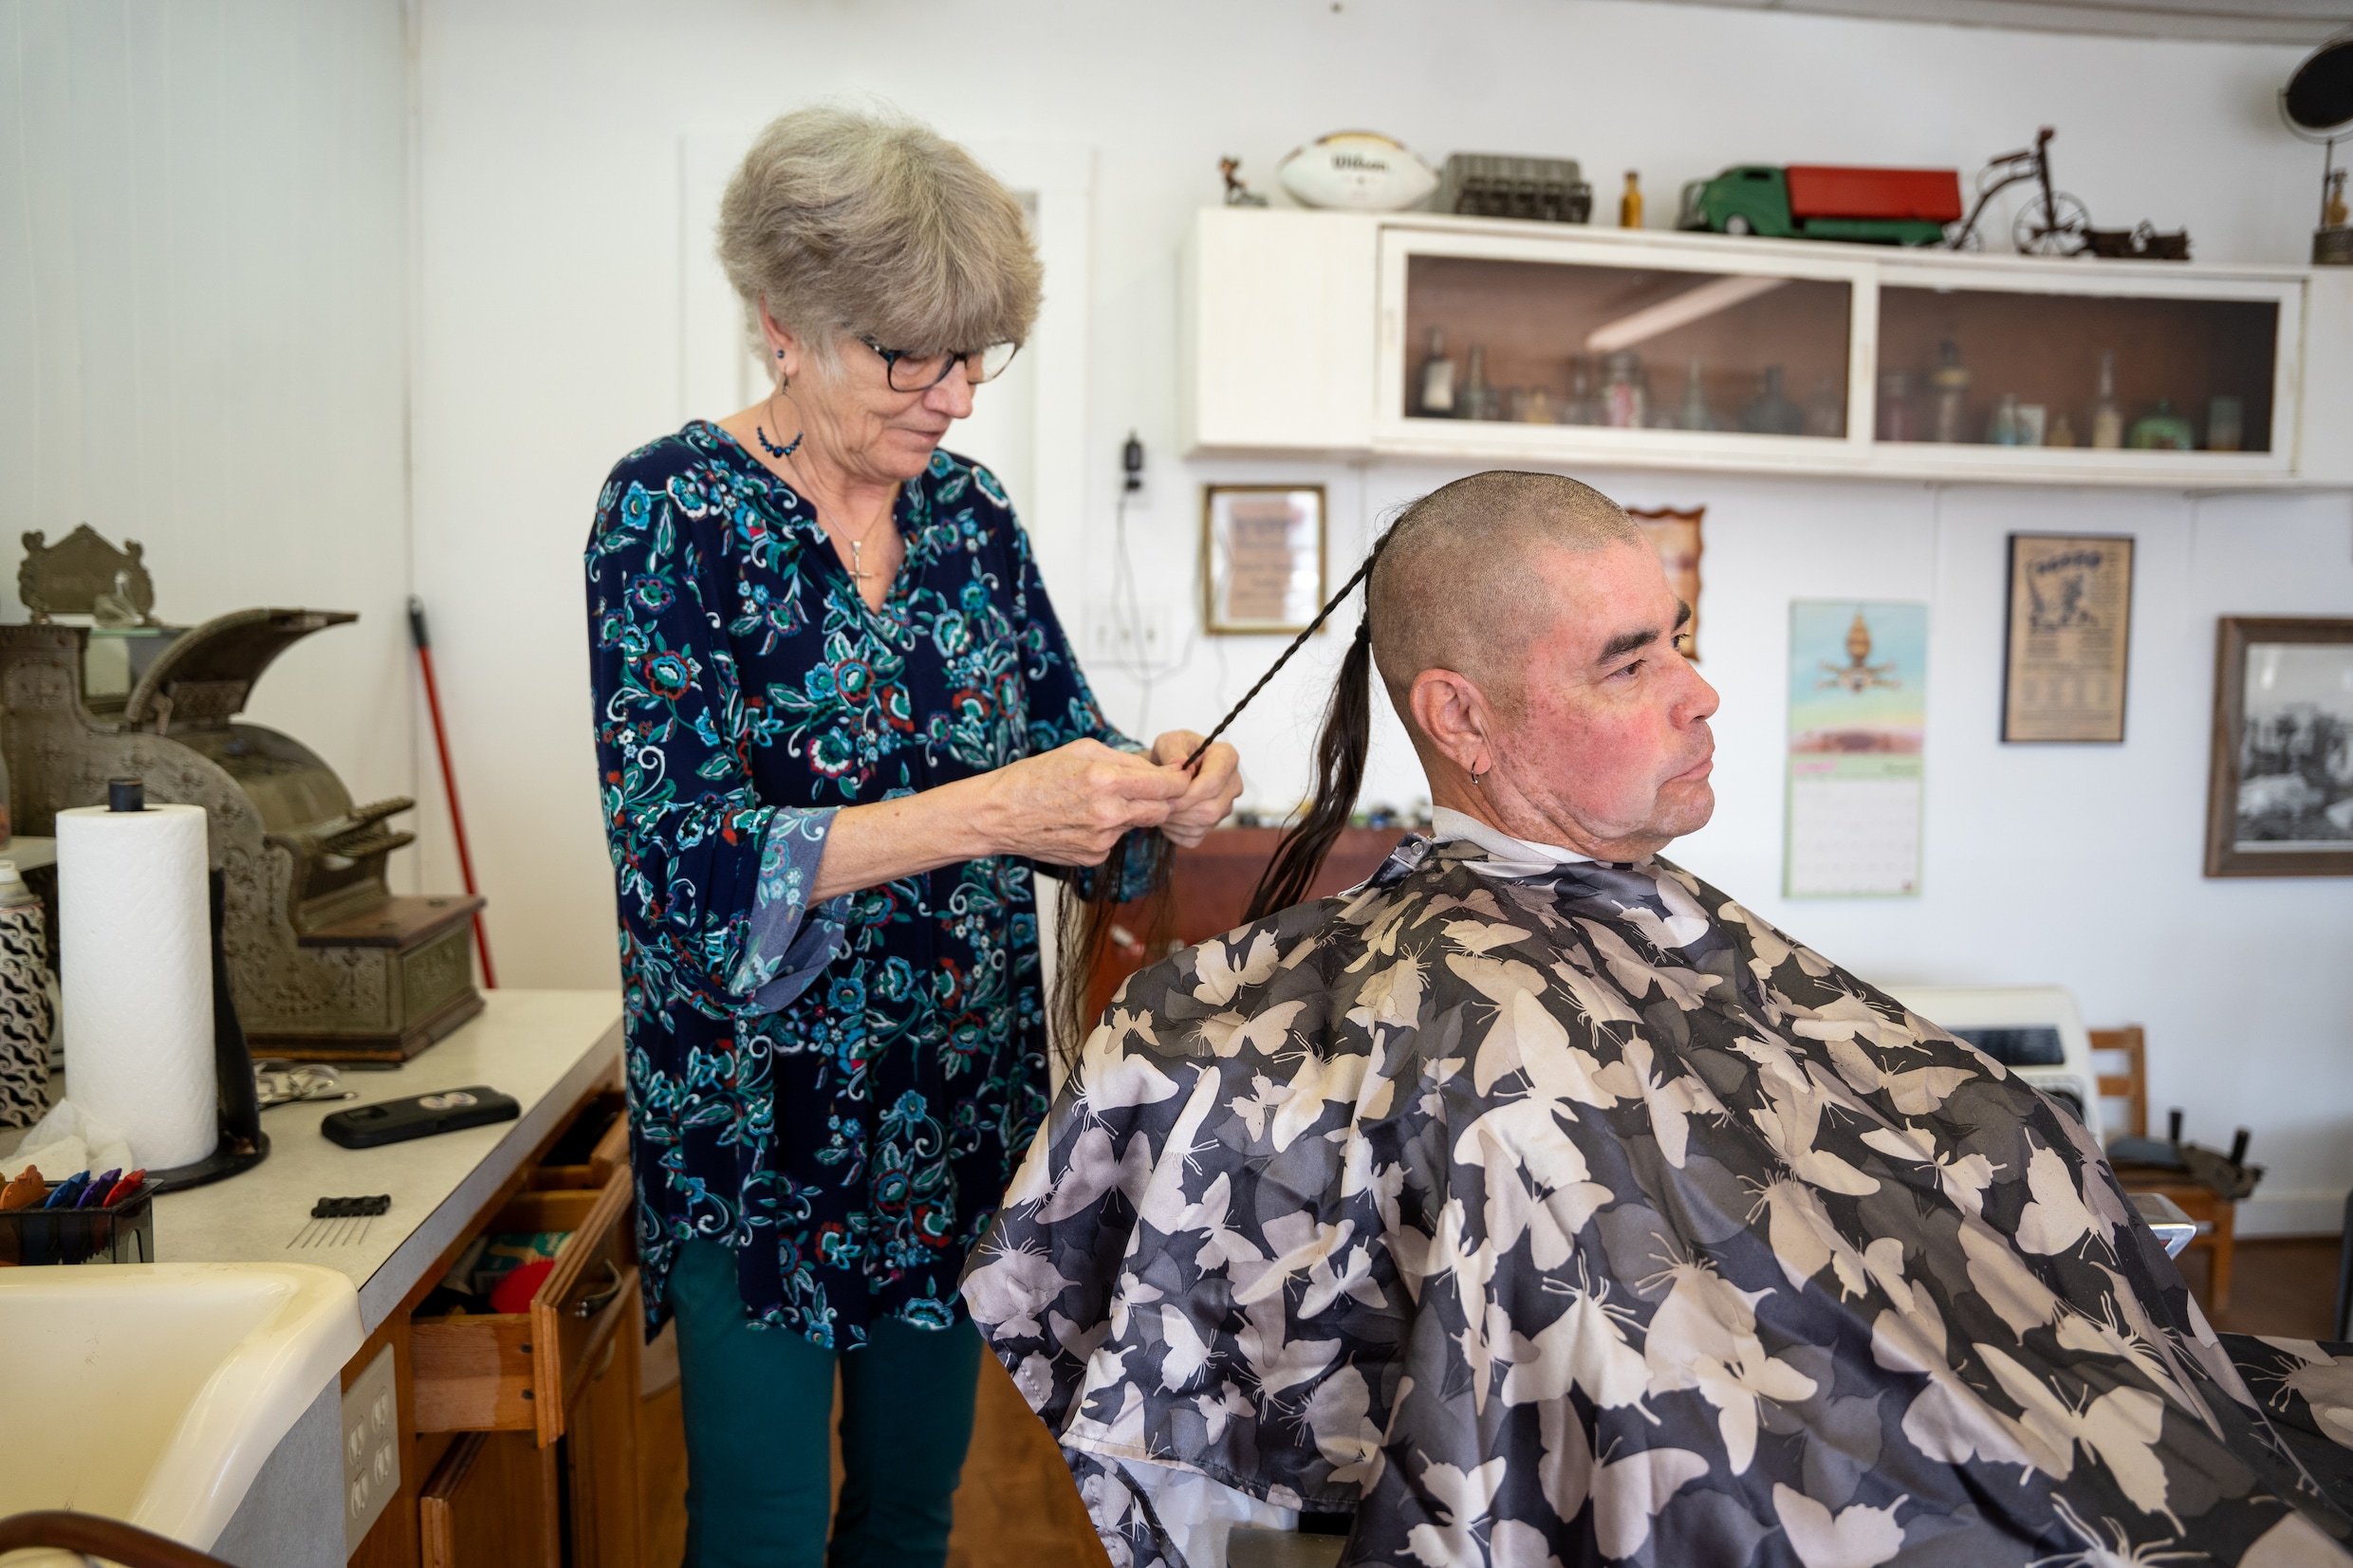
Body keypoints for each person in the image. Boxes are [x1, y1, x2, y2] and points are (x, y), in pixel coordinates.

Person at [964, 472, 2353, 1568]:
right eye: (1630, 664)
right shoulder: (1463, 1013)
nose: (1702, 693)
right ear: (1464, 716)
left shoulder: (1659, 919)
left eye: (1676, 638)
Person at [584, 106, 1241, 1567]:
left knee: (909, 1515)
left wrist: (1155, 788)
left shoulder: (972, 522)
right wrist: (997, 807)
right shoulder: (666, 514)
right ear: (780, 325)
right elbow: (687, 862)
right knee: (757, 1526)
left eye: (971, 354)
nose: (950, 395)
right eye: (907, 355)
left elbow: (1067, 775)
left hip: (951, 1115)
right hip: (757, 1128)